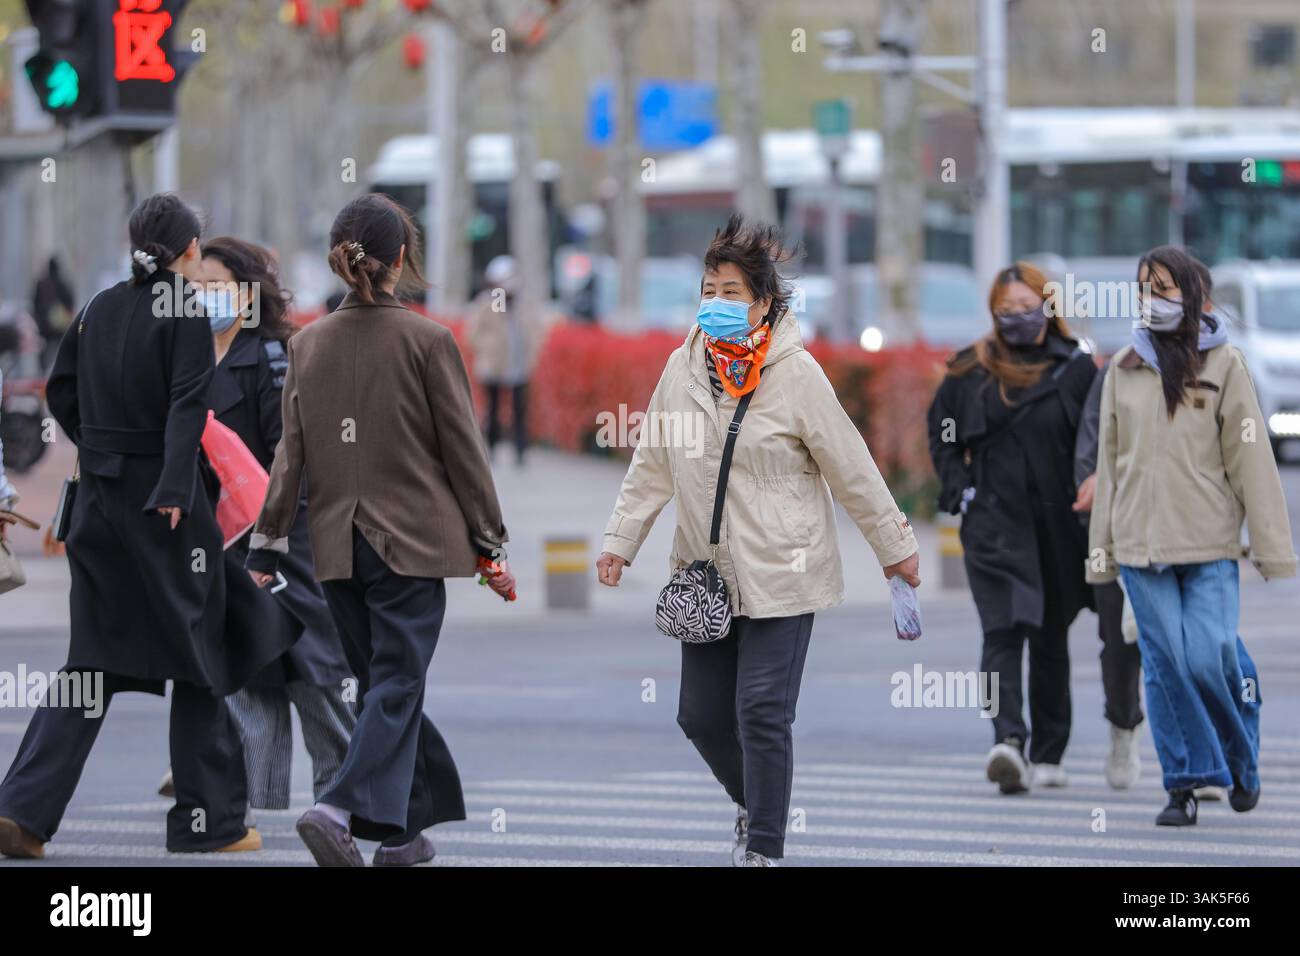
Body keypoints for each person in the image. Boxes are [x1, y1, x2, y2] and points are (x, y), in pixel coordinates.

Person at [596, 215, 920, 867]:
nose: (715, 304)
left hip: (784, 570)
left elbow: (850, 464)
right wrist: (620, 539)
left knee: (762, 710)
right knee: (699, 716)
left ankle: (765, 848)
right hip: (704, 573)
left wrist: (895, 546)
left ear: (764, 303)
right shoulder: (681, 368)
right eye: (708, 290)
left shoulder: (795, 374)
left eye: (731, 292)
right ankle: (757, 803)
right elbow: (653, 461)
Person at [0, 193, 296, 859]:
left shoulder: (97, 308)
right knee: (201, 657)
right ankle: (210, 823)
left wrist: (101, 451)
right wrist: (166, 483)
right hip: (167, 513)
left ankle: (22, 810)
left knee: (91, 665)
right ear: (190, 250)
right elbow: (189, 401)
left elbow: (60, 393)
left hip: (100, 510)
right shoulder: (184, 309)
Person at [246, 193, 515, 867]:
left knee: (384, 691)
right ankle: (336, 808)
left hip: (338, 550)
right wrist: (489, 541)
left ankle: (403, 835)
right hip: (414, 546)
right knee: (397, 684)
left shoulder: (307, 344)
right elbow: (463, 450)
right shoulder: (428, 341)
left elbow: (291, 453)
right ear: (402, 257)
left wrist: (267, 540)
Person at [1088, 244, 1297, 827]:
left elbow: (1253, 461)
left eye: (1165, 289)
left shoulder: (1227, 366)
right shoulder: (1123, 369)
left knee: (1210, 658)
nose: (1154, 301)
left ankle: (1240, 757)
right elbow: (1111, 464)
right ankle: (1183, 783)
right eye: (1145, 289)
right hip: (1137, 546)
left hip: (1208, 546)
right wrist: (1100, 555)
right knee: (1166, 665)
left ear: (1195, 296)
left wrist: (1274, 550)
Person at [195, 236, 358, 817]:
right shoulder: (189, 362)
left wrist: (275, 545)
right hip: (225, 551)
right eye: (195, 287)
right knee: (248, 675)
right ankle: (246, 804)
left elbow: (297, 463)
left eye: (214, 286)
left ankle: (341, 805)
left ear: (245, 293)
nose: (201, 297)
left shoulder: (270, 359)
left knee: (315, 677)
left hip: (288, 545)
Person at [927, 262, 1097, 795]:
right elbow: (943, 434)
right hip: (994, 525)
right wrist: (960, 487)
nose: (1019, 319)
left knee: (1049, 635)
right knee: (1001, 632)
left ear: (1048, 306)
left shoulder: (1077, 370)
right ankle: (1008, 743)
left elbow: (1099, 440)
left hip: (1058, 526)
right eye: (1007, 311)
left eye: (1028, 308)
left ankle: (1049, 752)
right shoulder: (970, 370)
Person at [467, 255, 540, 466]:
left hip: (519, 364)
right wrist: (490, 347)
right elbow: (475, 333)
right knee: (494, 408)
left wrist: (531, 349)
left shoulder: (522, 303)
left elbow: (533, 329)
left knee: (520, 409)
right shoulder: (490, 301)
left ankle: (520, 450)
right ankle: (491, 447)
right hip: (494, 365)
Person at [31, 256, 76, 368]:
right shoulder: (63, 282)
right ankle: (60, 369)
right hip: (59, 324)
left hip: (44, 324)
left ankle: (43, 370)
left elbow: (35, 302)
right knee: (60, 348)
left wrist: (37, 318)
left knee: (44, 349)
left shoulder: (41, 283)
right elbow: (70, 301)